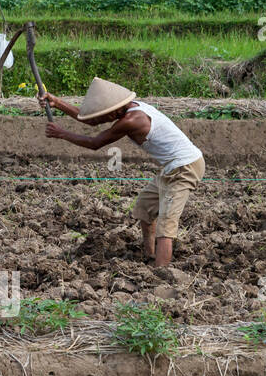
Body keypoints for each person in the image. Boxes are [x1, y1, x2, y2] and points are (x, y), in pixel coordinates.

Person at [42, 77, 204, 267]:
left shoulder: (133, 120)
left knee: (166, 225)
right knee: (144, 209)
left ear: (115, 110)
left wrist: (62, 133)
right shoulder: (127, 108)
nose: (103, 118)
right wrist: (57, 103)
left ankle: (162, 275)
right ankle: (150, 256)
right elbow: (93, 120)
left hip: (186, 167)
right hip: (171, 167)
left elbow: (95, 143)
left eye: (106, 115)